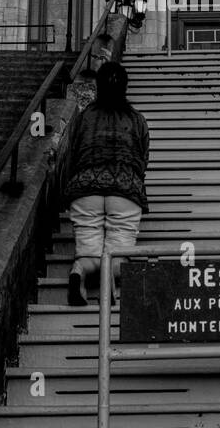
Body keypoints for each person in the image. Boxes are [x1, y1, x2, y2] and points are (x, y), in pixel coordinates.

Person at [57, 62, 150, 306]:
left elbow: (72, 152)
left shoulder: (85, 116)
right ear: (125, 87)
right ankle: (111, 280)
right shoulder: (137, 119)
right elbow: (143, 159)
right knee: (119, 248)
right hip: (125, 188)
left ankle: (80, 270)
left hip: (85, 187)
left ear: (98, 86)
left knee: (88, 250)